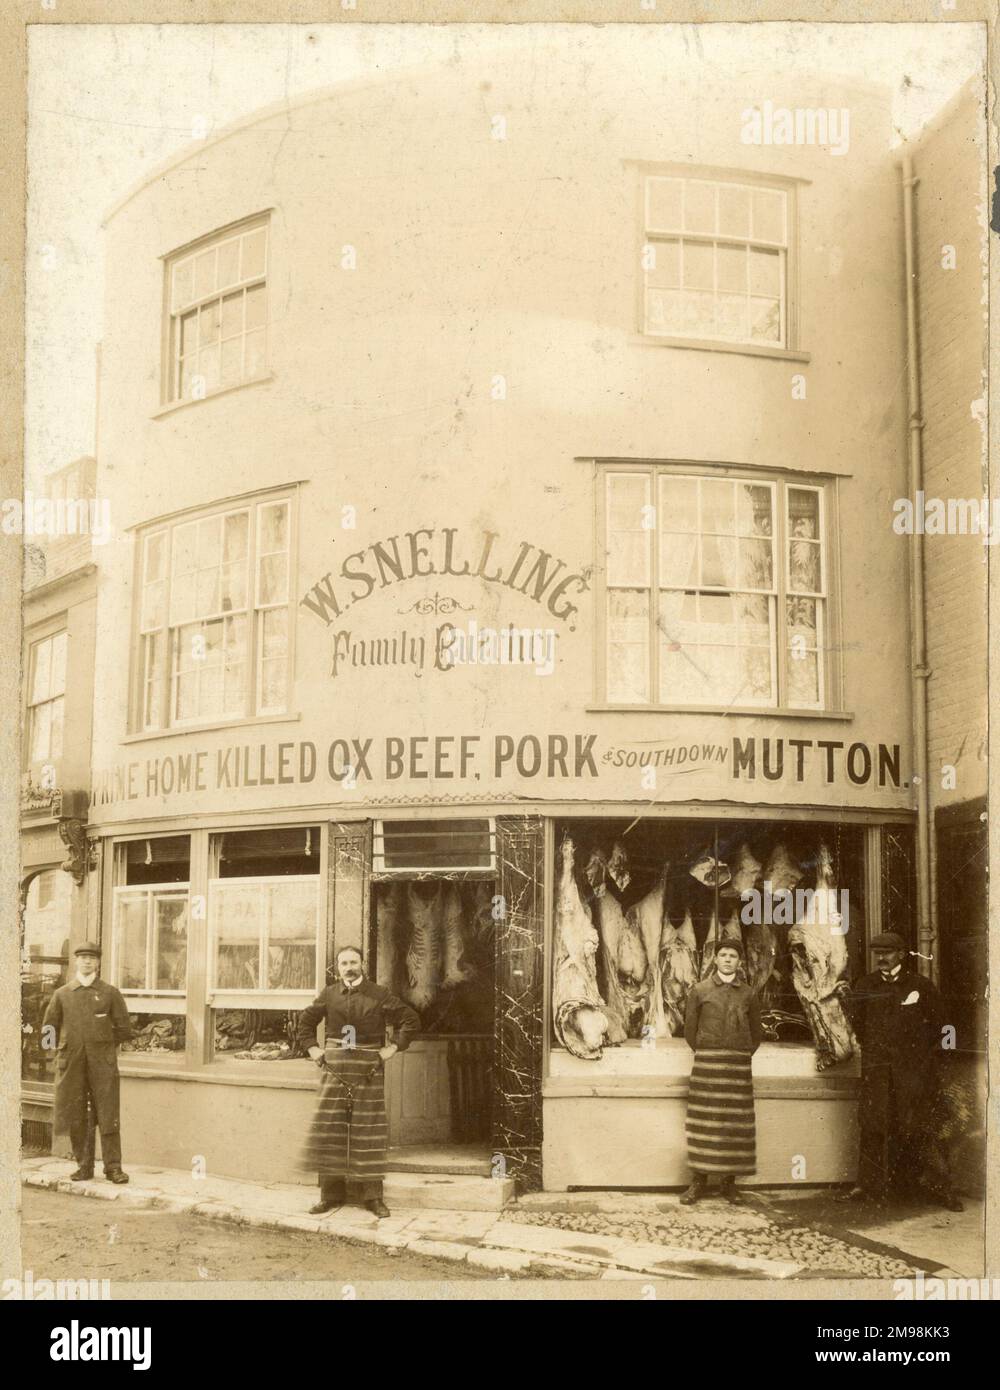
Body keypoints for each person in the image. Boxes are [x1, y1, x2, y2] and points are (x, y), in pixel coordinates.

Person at [840, 932, 963, 1212]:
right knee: (873, 1126)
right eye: (877, 952)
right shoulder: (866, 984)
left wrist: (933, 1060)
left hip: (914, 1073)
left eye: (888, 952)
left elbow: (944, 1027)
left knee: (921, 1128)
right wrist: (874, 1053)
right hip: (878, 1071)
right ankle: (867, 1187)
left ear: (901, 954)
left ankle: (939, 1189)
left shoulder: (920, 985)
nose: (882, 957)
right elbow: (858, 1025)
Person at [297, 945, 419, 1219]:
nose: (349, 967)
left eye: (354, 962)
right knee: (330, 1128)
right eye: (343, 963)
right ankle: (329, 1196)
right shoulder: (329, 994)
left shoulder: (379, 994)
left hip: (368, 1068)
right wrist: (313, 1048)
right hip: (334, 1065)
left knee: (369, 1130)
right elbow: (305, 1023)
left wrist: (392, 1048)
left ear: (363, 964)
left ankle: (373, 1198)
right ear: (337, 967)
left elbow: (410, 1020)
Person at [42, 942, 133, 1184]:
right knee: (76, 1115)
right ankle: (83, 1166)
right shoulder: (62, 994)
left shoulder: (109, 992)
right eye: (82, 957)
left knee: (108, 1114)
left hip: (103, 1064)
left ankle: (113, 1168)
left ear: (98, 962)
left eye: (91, 957)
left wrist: (102, 1044)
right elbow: (48, 1028)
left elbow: (124, 1029)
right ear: (76, 962)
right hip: (71, 1063)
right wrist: (56, 1053)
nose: (87, 961)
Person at [681, 940, 762, 1205]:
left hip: (738, 1068)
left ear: (740, 962)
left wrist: (738, 1053)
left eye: (733, 956)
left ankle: (729, 1185)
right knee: (705, 1122)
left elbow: (756, 1035)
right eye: (723, 955)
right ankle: (698, 1183)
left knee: (733, 1125)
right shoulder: (700, 990)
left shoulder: (749, 993)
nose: (728, 960)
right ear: (715, 960)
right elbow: (689, 1032)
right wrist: (709, 1051)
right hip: (708, 1065)